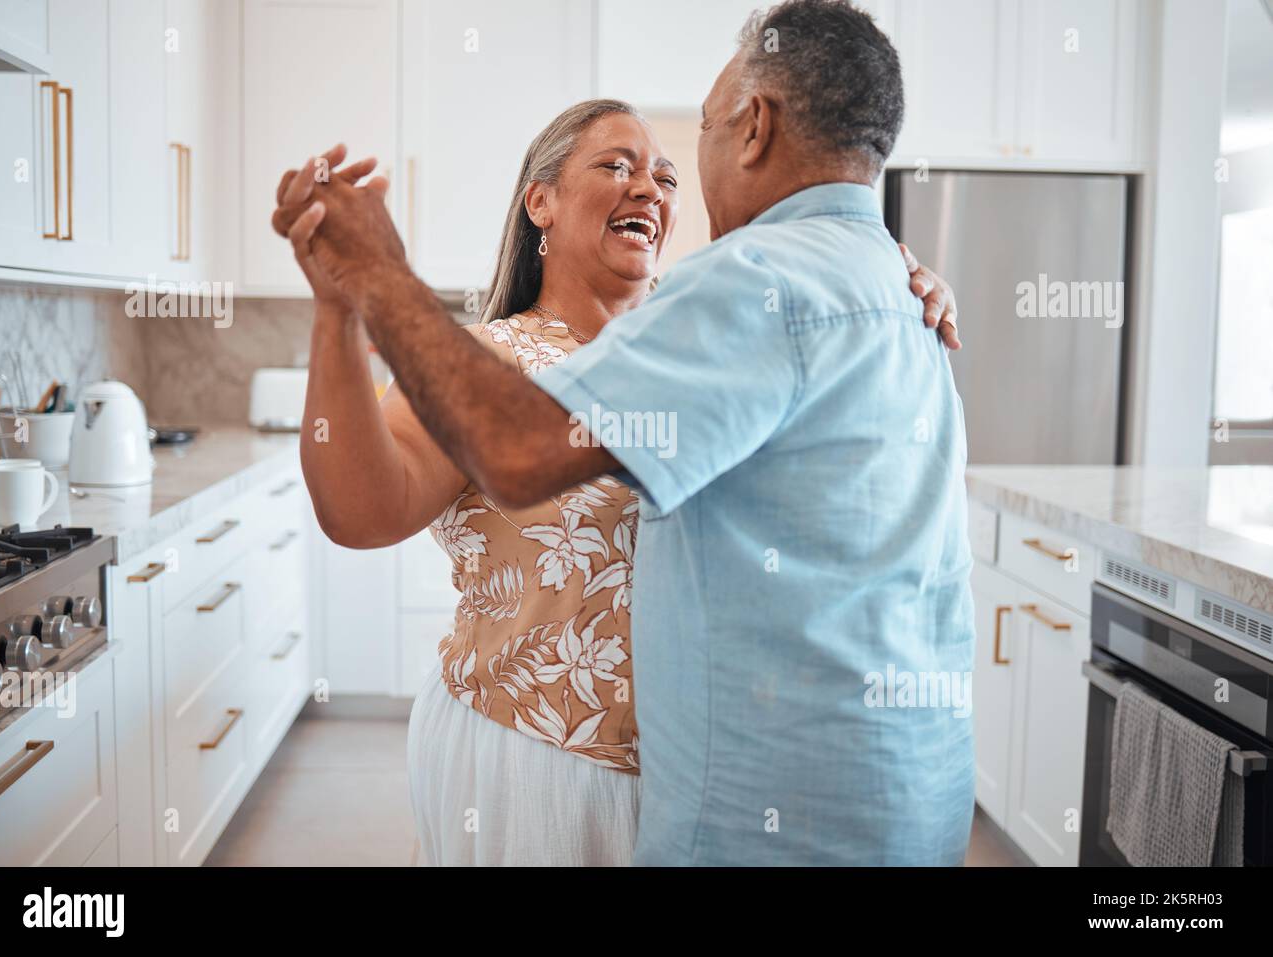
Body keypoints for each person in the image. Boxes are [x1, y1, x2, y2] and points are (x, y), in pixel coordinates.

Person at [278, 0, 972, 866]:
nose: (653, 186)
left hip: (701, 790)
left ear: (754, 130)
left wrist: (887, 273)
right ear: (542, 201)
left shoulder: (730, 315)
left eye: (669, 173)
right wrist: (342, 307)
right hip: (534, 767)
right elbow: (357, 509)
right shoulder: (483, 366)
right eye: (617, 166)